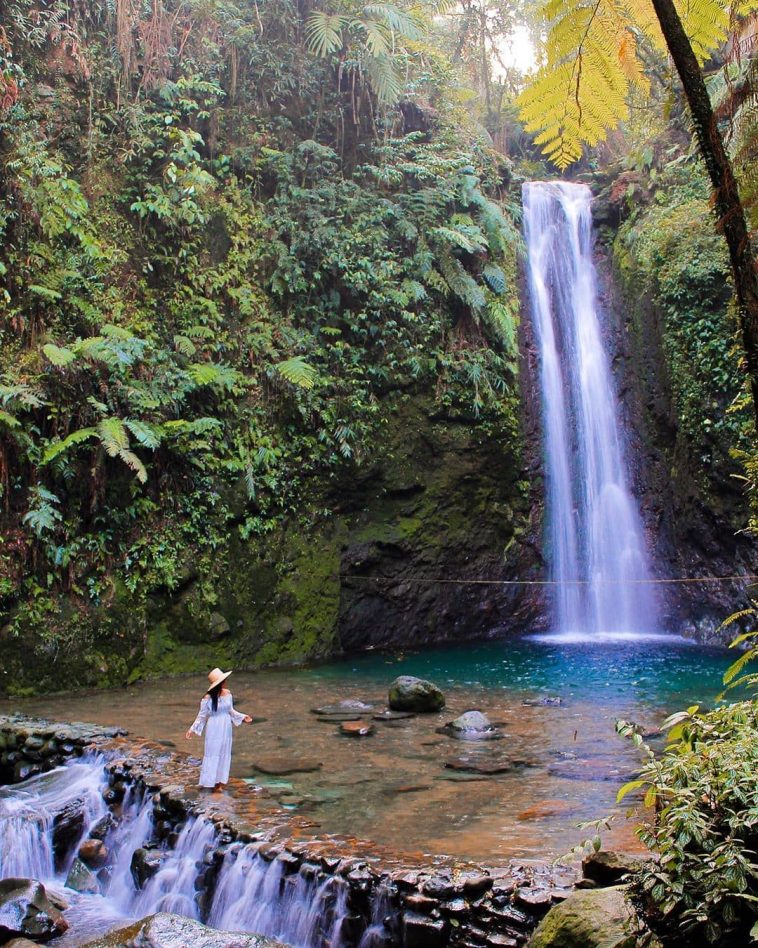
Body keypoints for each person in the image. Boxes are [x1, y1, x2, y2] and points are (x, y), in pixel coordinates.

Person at [185, 667, 252, 792]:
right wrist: (192, 729)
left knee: (224, 752)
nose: (225, 682)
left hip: (225, 726)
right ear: (219, 683)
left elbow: (230, 710)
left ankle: (220, 783)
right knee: (213, 752)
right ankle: (210, 781)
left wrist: (243, 717)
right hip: (214, 727)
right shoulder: (207, 698)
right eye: (224, 680)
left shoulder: (228, 693)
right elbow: (202, 716)